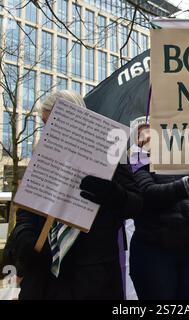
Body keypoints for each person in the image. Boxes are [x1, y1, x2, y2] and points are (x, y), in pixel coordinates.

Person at [3, 90, 142, 299]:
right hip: (44, 277)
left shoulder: (112, 152)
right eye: (45, 123)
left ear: (77, 118)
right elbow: (27, 208)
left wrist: (112, 193)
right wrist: (25, 237)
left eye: (55, 122)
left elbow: (136, 204)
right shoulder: (42, 153)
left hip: (93, 278)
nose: (49, 130)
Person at [128, 116, 189, 300]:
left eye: (151, 130)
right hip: (155, 251)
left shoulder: (182, 158)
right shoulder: (134, 164)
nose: (147, 136)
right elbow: (149, 193)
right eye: (141, 133)